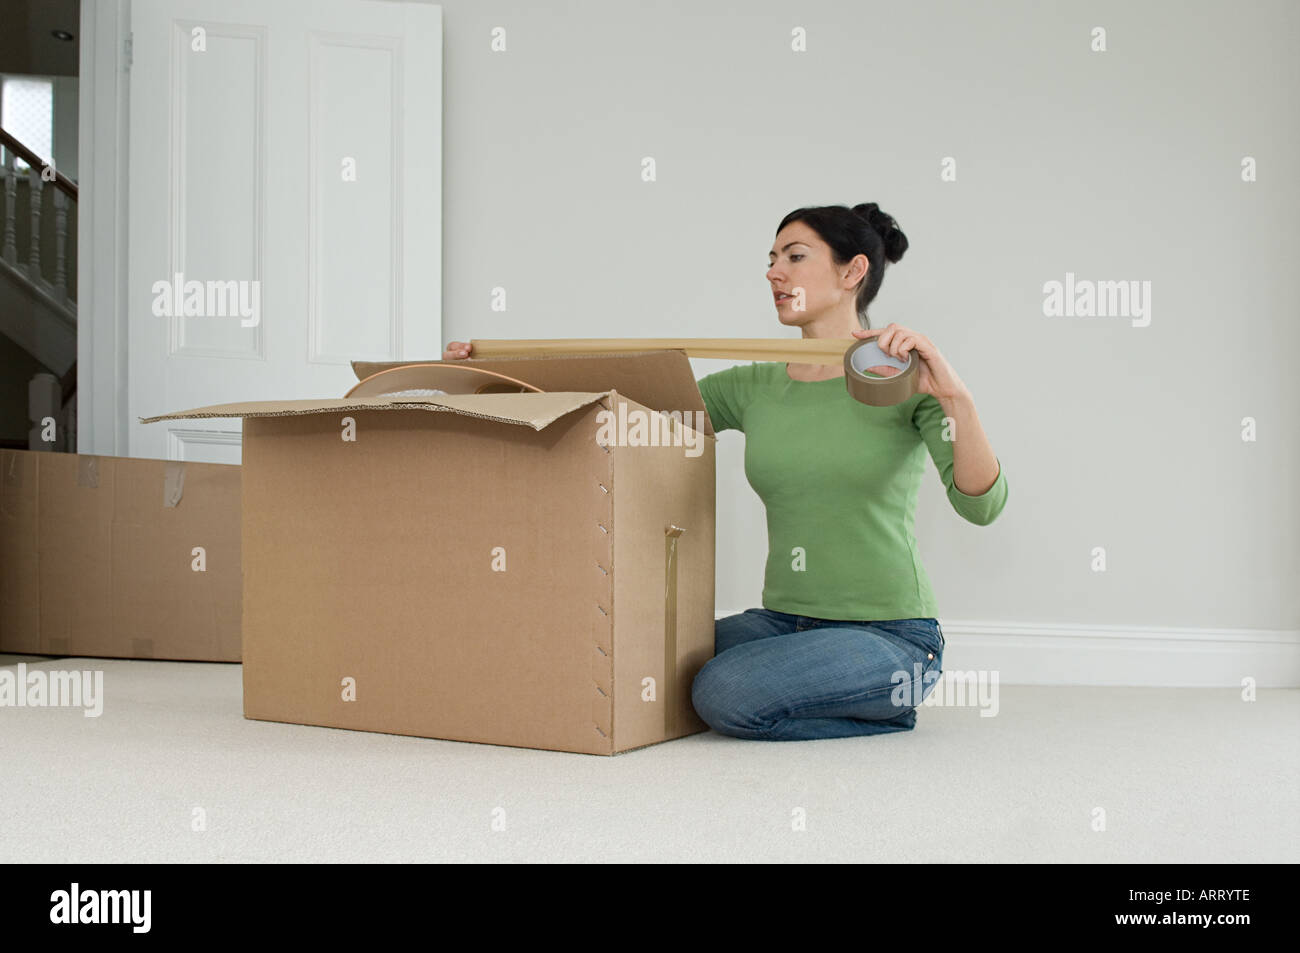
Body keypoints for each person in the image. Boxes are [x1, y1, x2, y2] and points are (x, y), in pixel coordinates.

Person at [442, 202, 1007, 742]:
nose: (773, 273)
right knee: (632, 655)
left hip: (892, 635)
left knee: (723, 695)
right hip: (783, 621)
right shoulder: (753, 388)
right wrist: (494, 373)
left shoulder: (904, 383)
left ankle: (889, 706)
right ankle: (819, 687)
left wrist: (955, 397)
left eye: (794, 256)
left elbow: (981, 506)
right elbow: (623, 408)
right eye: (770, 259)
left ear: (852, 271)